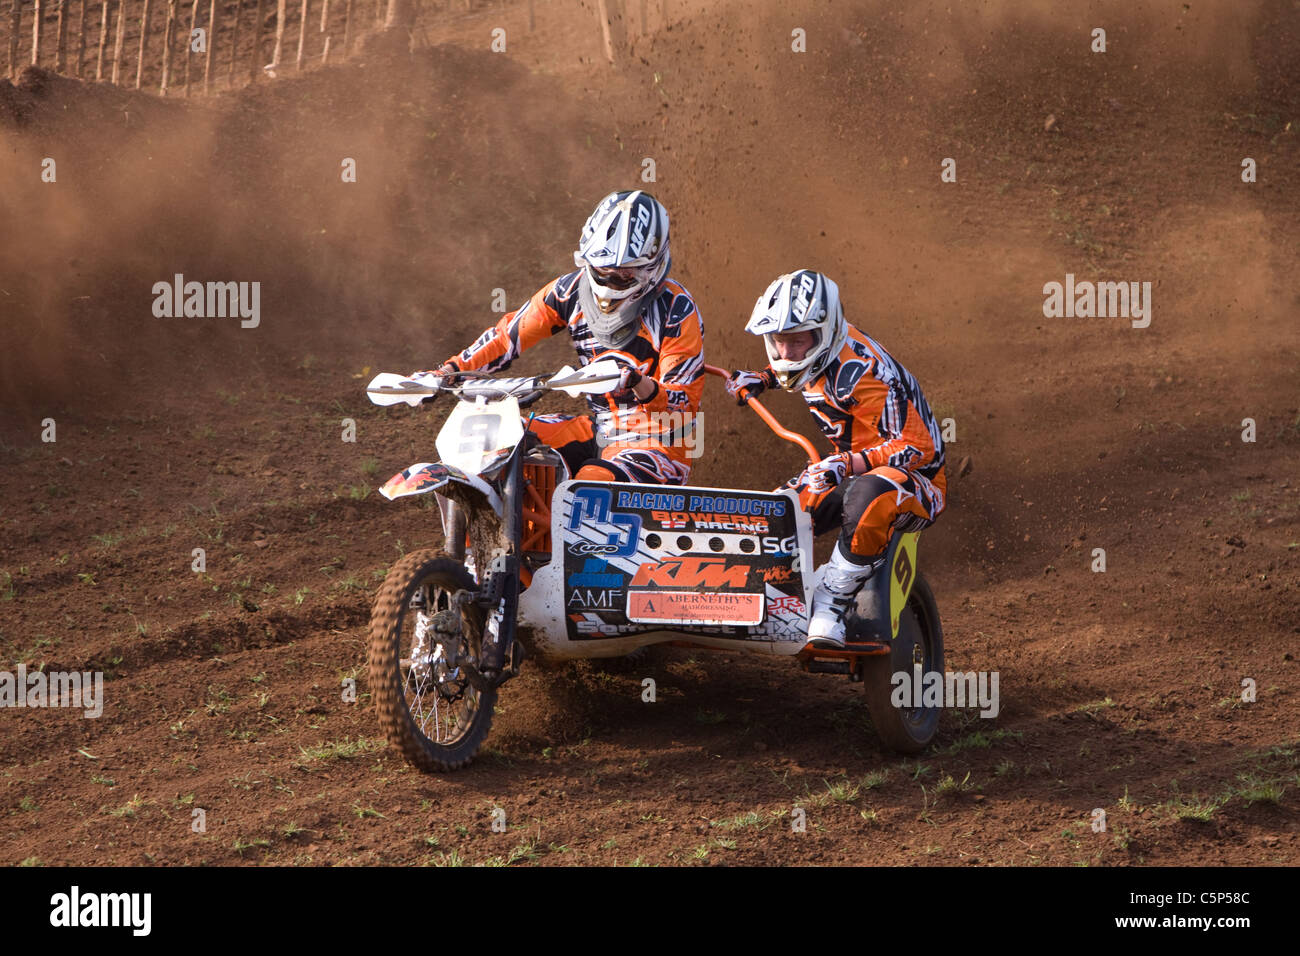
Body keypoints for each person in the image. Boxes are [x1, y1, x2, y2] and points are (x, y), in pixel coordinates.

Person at [419, 190, 704, 484]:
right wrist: (448, 371)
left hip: (659, 441)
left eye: (622, 276)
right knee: (497, 442)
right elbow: (507, 337)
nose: (608, 282)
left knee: (590, 483)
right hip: (601, 428)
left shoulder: (676, 309)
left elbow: (680, 407)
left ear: (651, 268)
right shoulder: (569, 292)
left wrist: (637, 382)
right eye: (601, 270)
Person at [726, 270, 947, 650]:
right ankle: (755, 598)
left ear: (824, 332)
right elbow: (802, 368)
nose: (786, 353)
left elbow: (918, 447)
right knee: (777, 512)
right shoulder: (821, 352)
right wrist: (763, 378)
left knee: (869, 493)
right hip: (851, 469)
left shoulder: (867, 372)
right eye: (779, 342)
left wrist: (847, 464)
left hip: (918, 484)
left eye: (796, 342)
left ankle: (832, 604)